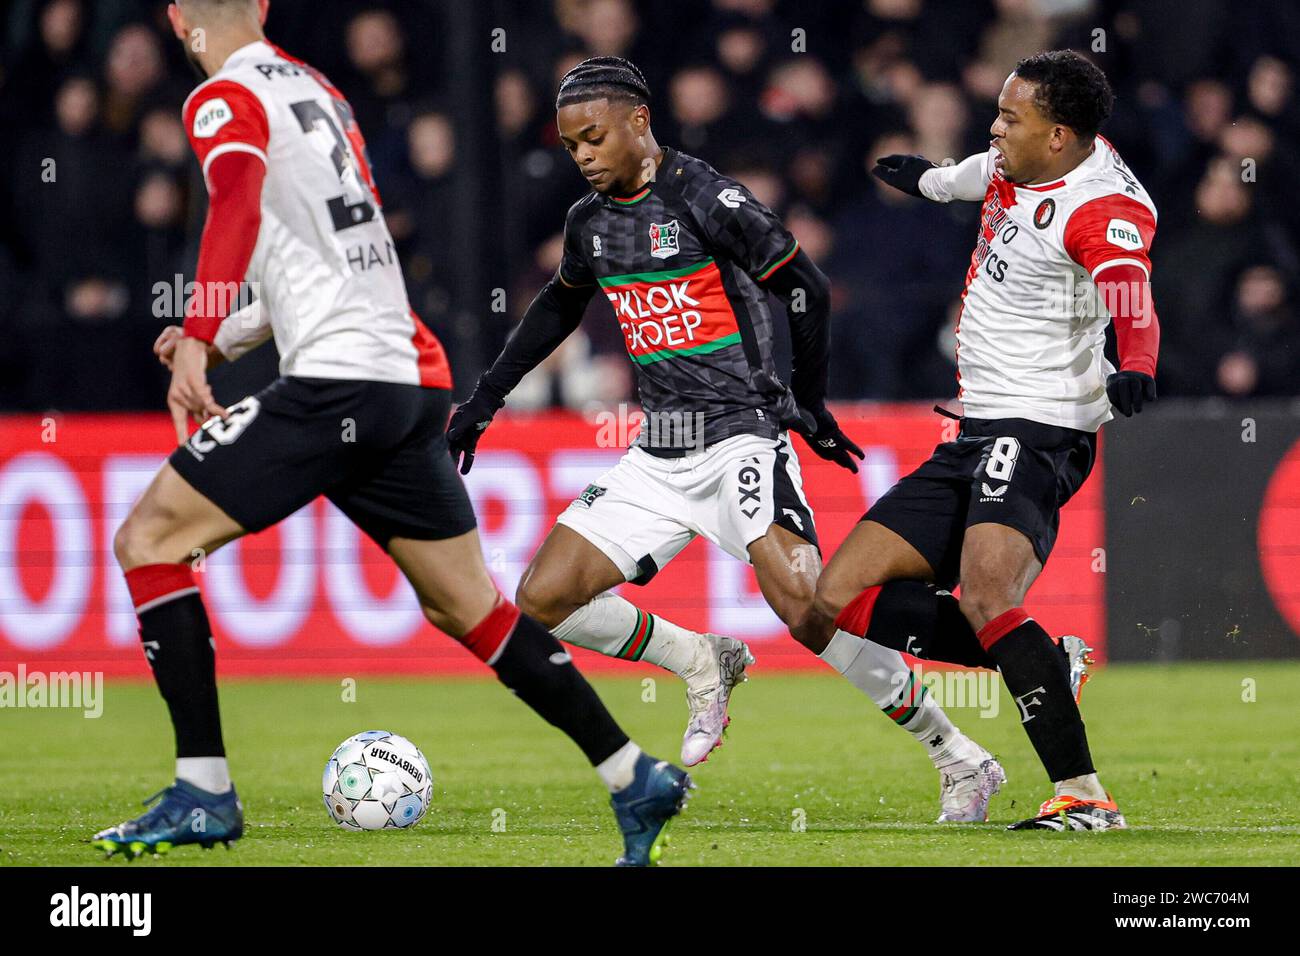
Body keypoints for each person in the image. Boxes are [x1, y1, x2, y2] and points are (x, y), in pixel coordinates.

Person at [93, 0, 690, 867]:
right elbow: (330, 259)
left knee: (149, 539)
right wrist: (232, 332)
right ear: (261, 7)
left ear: (180, 16)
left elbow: (232, 204)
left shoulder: (222, 98)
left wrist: (195, 327)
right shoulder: (320, 93)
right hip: (409, 380)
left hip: (341, 382)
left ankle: (203, 793)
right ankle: (633, 773)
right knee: (468, 605)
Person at [448, 56, 1006, 823]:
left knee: (811, 610)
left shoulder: (707, 197)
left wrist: (805, 402)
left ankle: (960, 756)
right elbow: (554, 310)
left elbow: (803, 283)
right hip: (658, 451)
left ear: (639, 122)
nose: (581, 155)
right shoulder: (590, 223)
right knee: (542, 598)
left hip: (742, 437)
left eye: (593, 137)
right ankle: (699, 658)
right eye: (571, 143)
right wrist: (482, 401)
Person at [812, 50, 1160, 830]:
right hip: (973, 426)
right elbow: (978, 172)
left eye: (1011, 118)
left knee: (987, 595)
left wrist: (1136, 359)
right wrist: (930, 182)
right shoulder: (1018, 161)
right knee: (830, 601)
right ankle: (1045, 659)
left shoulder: (1099, 208)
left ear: (1060, 136)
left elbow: (1130, 288)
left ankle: (1086, 797)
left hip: (1039, 425)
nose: (994, 129)